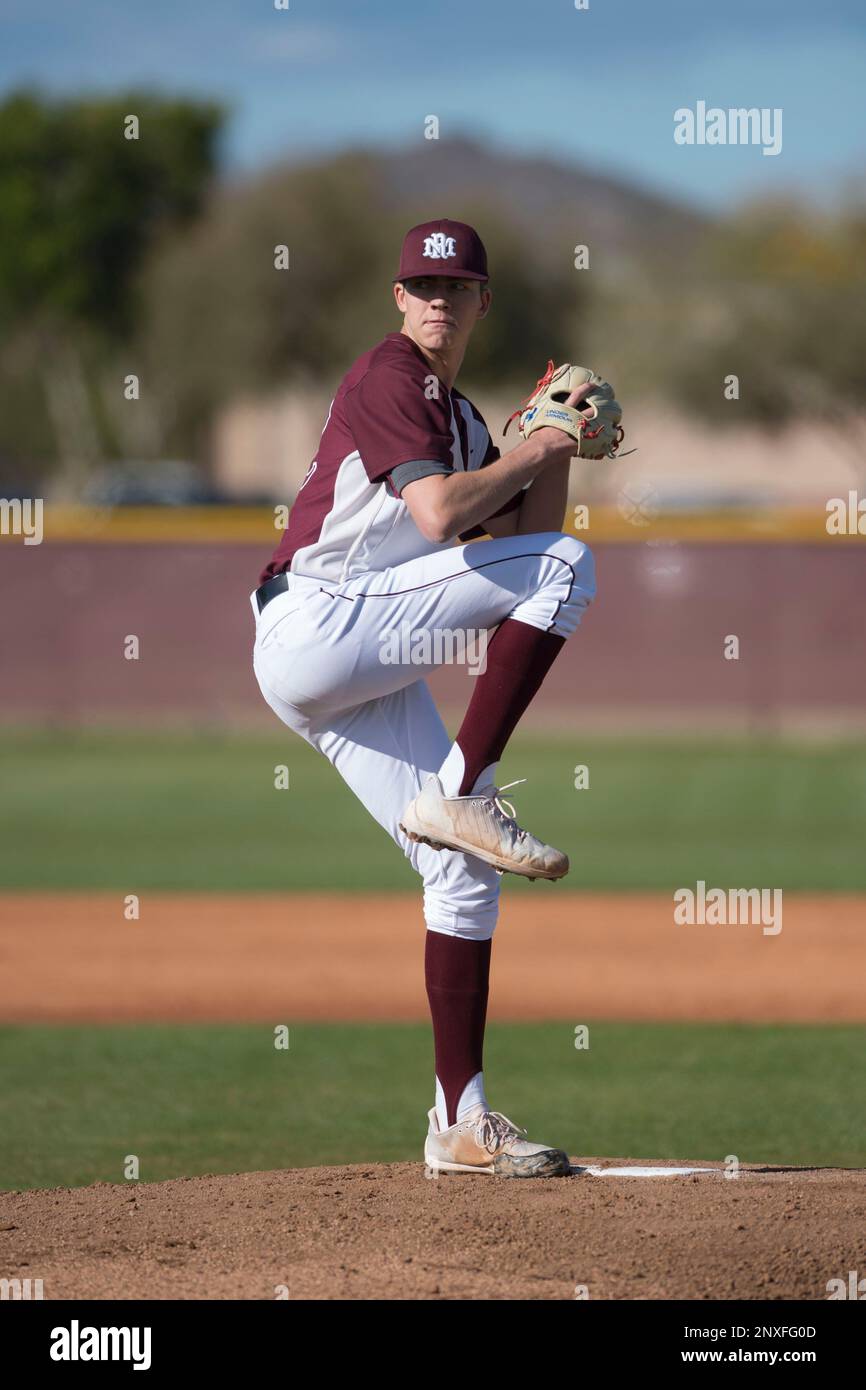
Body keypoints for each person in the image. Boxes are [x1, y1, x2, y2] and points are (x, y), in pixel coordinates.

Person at [251, 219, 597, 1177]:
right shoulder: (391, 378)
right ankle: (469, 785)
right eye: (423, 287)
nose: (439, 302)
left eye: (458, 288)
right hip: (319, 625)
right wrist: (534, 448)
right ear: (399, 299)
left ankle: (457, 1121)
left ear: (483, 301)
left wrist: (551, 442)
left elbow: (519, 538)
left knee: (460, 872)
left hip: (354, 663)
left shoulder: (466, 421)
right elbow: (445, 516)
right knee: (569, 568)